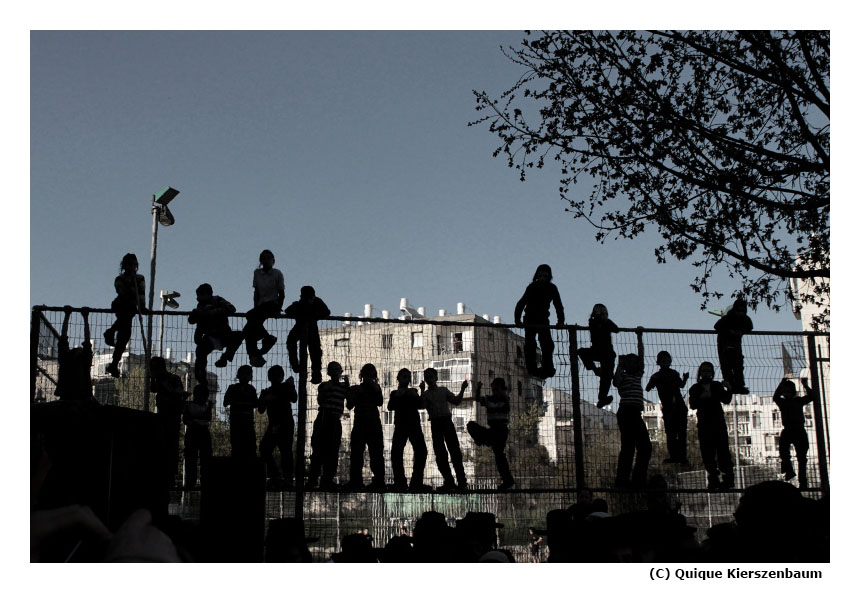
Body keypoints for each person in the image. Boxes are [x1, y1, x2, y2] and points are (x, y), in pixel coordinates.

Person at [612, 329, 651, 488]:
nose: (635, 364)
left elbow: (641, 356)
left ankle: (637, 479)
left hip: (635, 412)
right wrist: (619, 365)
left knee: (645, 447)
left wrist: (639, 337)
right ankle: (622, 480)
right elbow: (616, 382)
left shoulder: (637, 375)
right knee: (628, 446)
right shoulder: (624, 376)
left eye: (635, 362)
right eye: (631, 362)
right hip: (626, 412)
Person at [421, 368, 469, 492]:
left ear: (436, 378)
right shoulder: (426, 394)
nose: (429, 379)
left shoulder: (443, 390)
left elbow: (456, 401)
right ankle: (449, 481)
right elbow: (421, 405)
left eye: (431, 376)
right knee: (441, 454)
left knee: (454, 452)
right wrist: (421, 391)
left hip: (446, 422)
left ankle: (461, 482)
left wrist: (463, 389)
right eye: (426, 377)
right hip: (436, 423)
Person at [688, 361, 734, 490]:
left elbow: (726, 399)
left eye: (708, 371)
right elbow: (693, 404)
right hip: (704, 424)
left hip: (718, 423)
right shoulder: (695, 388)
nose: (706, 373)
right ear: (700, 373)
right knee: (707, 453)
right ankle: (713, 479)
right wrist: (703, 397)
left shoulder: (716, 385)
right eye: (704, 371)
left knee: (723, 451)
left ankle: (728, 479)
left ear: (712, 373)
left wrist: (729, 389)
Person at [514, 264, 565, 379]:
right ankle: (533, 368)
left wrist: (561, 321)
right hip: (531, 319)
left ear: (548, 277)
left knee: (546, 344)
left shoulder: (551, 288)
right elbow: (521, 303)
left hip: (541, 319)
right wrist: (517, 320)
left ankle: (546, 367)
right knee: (531, 344)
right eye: (540, 275)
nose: (542, 278)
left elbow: (558, 305)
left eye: (544, 276)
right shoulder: (533, 287)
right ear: (537, 275)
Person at [188, 283, 243, 386]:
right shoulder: (200, 306)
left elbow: (231, 308)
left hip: (223, 334)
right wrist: (198, 313)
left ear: (208, 294)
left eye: (200, 295)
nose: (197, 298)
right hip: (210, 336)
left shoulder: (218, 300)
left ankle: (225, 357)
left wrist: (213, 312)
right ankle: (201, 380)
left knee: (239, 335)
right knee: (200, 354)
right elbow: (191, 320)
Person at [306, 361, 349, 491]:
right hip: (324, 417)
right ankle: (313, 479)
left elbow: (349, 399)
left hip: (335, 419)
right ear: (329, 372)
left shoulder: (343, 387)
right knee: (318, 449)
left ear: (340, 372)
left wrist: (346, 385)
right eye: (332, 369)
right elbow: (320, 400)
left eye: (337, 369)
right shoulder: (324, 385)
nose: (335, 372)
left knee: (333, 451)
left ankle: (327, 480)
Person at [467, 378, 515, 491]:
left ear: (502, 390)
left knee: (499, 455)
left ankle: (507, 480)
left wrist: (503, 393)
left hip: (501, 431)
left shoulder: (504, 400)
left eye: (497, 389)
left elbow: (506, 407)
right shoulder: (490, 399)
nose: (495, 392)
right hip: (493, 431)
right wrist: (478, 389)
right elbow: (478, 399)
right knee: (471, 425)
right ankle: (507, 480)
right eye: (493, 390)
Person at [344, 363, 386, 492]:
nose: (368, 378)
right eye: (367, 375)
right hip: (363, 423)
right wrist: (348, 391)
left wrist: (375, 387)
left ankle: (377, 481)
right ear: (362, 376)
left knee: (374, 453)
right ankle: (358, 481)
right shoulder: (357, 389)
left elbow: (380, 402)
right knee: (359, 453)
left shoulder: (373, 388)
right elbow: (349, 405)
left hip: (370, 423)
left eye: (371, 375)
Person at [104, 253, 146, 378]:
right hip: (121, 305)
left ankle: (114, 363)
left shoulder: (140, 278)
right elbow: (122, 293)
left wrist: (142, 307)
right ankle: (113, 362)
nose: (132, 267)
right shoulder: (120, 279)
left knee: (124, 336)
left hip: (130, 307)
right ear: (124, 266)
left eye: (134, 265)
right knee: (125, 333)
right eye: (129, 265)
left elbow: (141, 293)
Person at [388, 368, 429, 492]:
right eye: (404, 376)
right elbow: (390, 407)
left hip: (413, 425)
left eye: (408, 377)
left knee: (421, 451)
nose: (407, 379)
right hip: (401, 425)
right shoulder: (395, 393)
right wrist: (400, 395)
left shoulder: (413, 391)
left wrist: (421, 391)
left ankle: (415, 482)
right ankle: (400, 482)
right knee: (396, 453)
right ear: (398, 379)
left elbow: (421, 405)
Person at [150, 356, 189, 486]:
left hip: (171, 416)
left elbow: (178, 393)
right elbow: (153, 389)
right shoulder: (161, 379)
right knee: (164, 444)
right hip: (164, 415)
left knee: (170, 444)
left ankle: (170, 474)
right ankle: (165, 473)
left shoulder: (172, 379)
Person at [645, 351, 690, 464]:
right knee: (674, 433)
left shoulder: (659, 375)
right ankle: (678, 457)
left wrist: (654, 381)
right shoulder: (670, 374)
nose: (665, 363)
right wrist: (684, 379)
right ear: (659, 362)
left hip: (674, 407)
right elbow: (681, 385)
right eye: (663, 361)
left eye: (667, 361)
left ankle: (680, 457)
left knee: (676, 433)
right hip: (673, 407)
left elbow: (648, 388)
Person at [243, 249, 285, 367]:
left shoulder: (277, 274)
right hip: (261, 305)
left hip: (272, 304)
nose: (266, 261)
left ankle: (256, 352)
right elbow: (256, 292)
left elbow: (281, 293)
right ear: (261, 261)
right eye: (264, 258)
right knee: (248, 329)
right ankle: (257, 352)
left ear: (273, 261)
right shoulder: (257, 273)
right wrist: (255, 307)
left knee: (250, 320)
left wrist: (278, 308)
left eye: (268, 258)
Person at [258, 366, 297, 489]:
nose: (275, 378)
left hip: (284, 424)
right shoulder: (269, 391)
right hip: (276, 424)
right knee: (268, 449)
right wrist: (263, 398)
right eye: (273, 375)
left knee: (284, 450)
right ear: (269, 377)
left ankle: (285, 478)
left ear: (281, 377)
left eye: (277, 375)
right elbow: (260, 409)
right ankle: (278, 477)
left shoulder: (284, 388)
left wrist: (290, 387)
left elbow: (294, 398)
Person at [773, 377, 814, 488]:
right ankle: (794, 475)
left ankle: (797, 477)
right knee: (794, 455)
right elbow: (811, 396)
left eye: (788, 391)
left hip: (795, 430)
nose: (786, 394)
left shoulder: (787, 402)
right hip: (795, 430)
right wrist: (805, 385)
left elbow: (775, 397)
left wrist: (781, 385)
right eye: (785, 391)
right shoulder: (795, 401)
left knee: (799, 456)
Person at [285, 286, 330, 385]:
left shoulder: (315, 302)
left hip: (309, 327)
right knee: (312, 349)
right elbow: (288, 311)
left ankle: (315, 373)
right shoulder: (301, 303)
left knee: (315, 351)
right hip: (302, 326)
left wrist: (313, 314)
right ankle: (297, 366)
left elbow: (326, 312)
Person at [578, 304, 620, 408]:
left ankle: (602, 398)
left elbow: (616, 329)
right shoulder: (594, 322)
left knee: (606, 376)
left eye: (606, 314)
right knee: (582, 352)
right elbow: (614, 329)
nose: (605, 316)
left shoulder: (605, 322)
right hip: (599, 351)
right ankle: (596, 370)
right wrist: (601, 320)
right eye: (603, 314)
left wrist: (605, 321)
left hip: (607, 353)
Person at [713, 297, 753, 394]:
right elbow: (716, 326)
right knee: (726, 366)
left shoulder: (745, 319)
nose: (740, 313)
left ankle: (739, 385)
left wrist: (741, 332)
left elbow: (750, 327)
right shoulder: (727, 318)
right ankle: (730, 385)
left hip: (736, 346)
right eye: (738, 311)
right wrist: (729, 331)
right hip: (724, 345)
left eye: (743, 311)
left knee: (738, 366)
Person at [55, 307, 94, 401]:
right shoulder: (84, 361)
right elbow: (87, 339)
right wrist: (85, 318)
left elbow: (63, 337)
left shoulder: (65, 360)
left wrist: (67, 315)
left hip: (66, 395)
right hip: (83, 396)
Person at [223, 365, 258, 458]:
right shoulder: (249, 389)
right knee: (242, 446)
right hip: (242, 421)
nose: (245, 376)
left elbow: (226, 402)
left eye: (247, 374)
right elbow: (255, 404)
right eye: (244, 374)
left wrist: (236, 400)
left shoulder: (237, 388)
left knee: (242, 446)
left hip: (240, 421)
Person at [182, 383, 213, 489]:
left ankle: (191, 481)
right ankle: (203, 481)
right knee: (202, 458)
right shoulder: (207, 406)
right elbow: (207, 419)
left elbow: (186, 419)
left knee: (192, 458)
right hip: (201, 432)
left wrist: (193, 421)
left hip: (193, 432)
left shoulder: (189, 405)